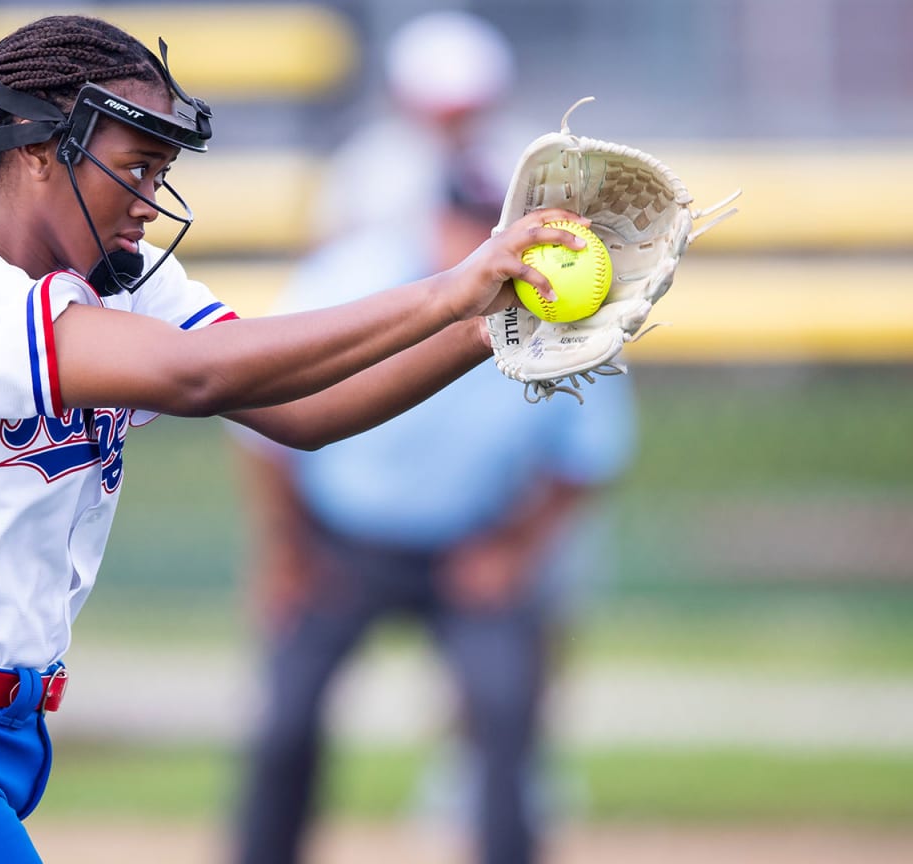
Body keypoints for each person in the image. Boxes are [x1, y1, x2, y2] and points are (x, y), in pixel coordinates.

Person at [0, 5, 590, 863]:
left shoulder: (119, 282)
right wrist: (452, 289)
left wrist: (489, 331)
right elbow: (196, 373)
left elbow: (306, 411)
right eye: (136, 167)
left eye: (162, 171)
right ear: (35, 149)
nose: (151, 201)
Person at [231, 13, 635, 864]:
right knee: (285, 719)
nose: (475, 235)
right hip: (343, 537)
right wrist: (287, 552)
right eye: (464, 216)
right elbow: (262, 432)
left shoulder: (560, 319)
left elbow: (588, 458)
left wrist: (513, 551)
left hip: (472, 541)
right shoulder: (352, 268)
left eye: (491, 220)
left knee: (505, 713)